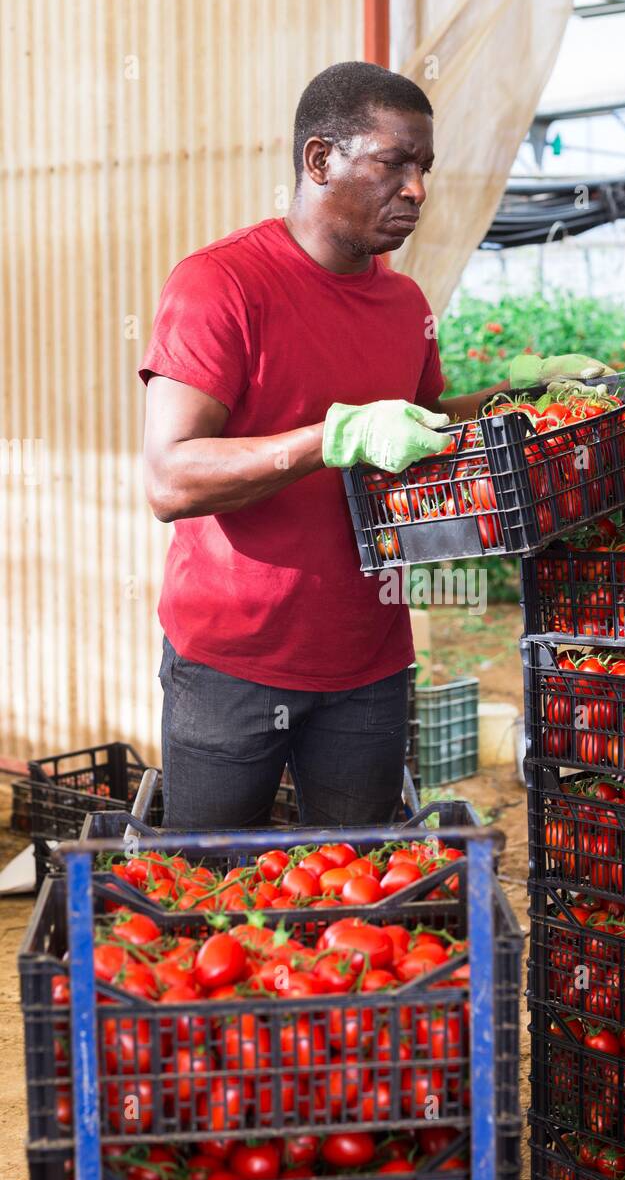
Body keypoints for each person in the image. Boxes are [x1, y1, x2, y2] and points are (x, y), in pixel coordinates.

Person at [140, 61, 503, 828]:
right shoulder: (220, 285)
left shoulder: (404, 302)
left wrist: (520, 398)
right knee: (211, 892)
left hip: (369, 657)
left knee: (352, 888)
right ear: (319, 160)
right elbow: (171, 479)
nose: (417, 190)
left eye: (425, 168)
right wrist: (335, 434)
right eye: (395, 163)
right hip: (234, 661)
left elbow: (421, 420)